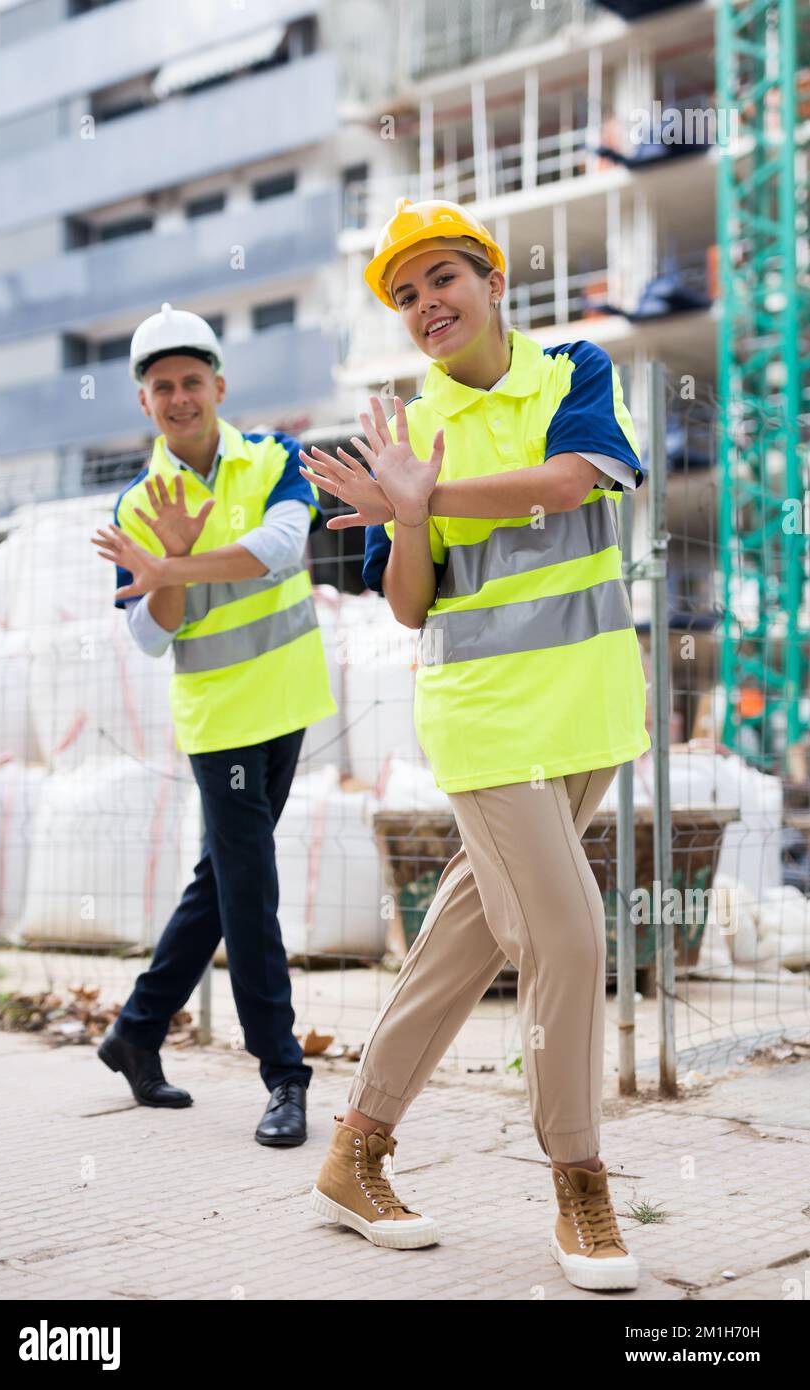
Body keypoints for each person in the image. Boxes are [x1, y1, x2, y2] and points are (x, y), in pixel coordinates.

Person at [297, 198, 651, 1288]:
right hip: (484, 718)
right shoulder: (405, 427)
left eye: (441, 278)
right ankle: (579, 1179)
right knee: (569, 934)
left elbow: (568, 484)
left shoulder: (573, 372)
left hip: (586, 706)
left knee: (465, 931)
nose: (425, 305)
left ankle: (355, 1149)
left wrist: (426, 493)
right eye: (404, 296)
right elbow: (407, 605)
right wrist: (408, 516)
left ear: (493, 281)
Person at [91, 302, 338, 1147]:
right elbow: (150, 636)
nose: (179, 397)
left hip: (289, 702)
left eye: (191, 381)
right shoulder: (136, 503)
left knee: (221, 882)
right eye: (161, 386)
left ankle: (136, 1029)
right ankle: (282, 1073)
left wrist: (176, 562)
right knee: (250, 891)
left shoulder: (271, 457)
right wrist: (162, 577)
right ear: (144, 402)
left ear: (218, 386)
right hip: (221, 722)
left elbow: (282, 545)